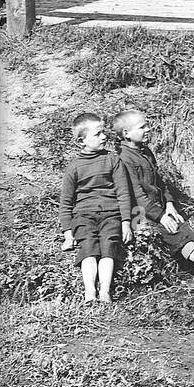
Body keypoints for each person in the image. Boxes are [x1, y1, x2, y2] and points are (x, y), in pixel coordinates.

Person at [112, 109, 194, 274]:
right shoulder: (124, 159)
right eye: (142, 127)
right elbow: (137, 196)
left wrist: (169, 204)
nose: (148, 129)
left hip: (158, 208)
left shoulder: (145, 151)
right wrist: (160, 216)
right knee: (177, 236)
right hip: (139, 214)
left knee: (188, 229)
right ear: (126, 133)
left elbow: (160, 182)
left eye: (147, 125)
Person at [59, 112, 133, 303]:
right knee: (88, 248)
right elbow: (66, 202)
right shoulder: (74, 167)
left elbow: (123, 193)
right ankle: (90, 291)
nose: (104, 137)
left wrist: (126, 222)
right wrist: (68, 231)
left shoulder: (113, 160)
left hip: (111, 214)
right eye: (97, 134)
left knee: (108, 246)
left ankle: (105, 291)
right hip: (84, 215)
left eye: (103, 132)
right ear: (81, 141)